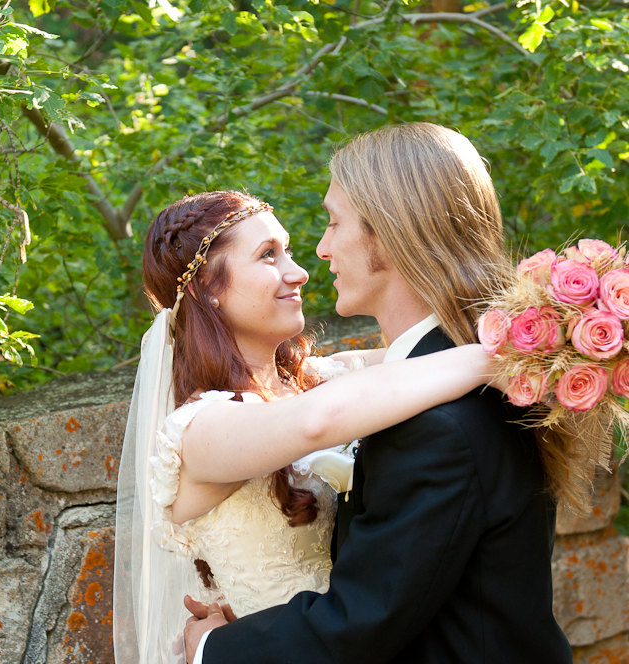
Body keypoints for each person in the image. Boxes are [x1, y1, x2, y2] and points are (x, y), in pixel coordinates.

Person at [182, 123, 574, 663]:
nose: (318, 251)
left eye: (332, 222)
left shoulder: (441, 421)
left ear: (387, 235)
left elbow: (363, 619)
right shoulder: (445, 375)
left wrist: (211, 649)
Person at [112, 182, 506, 664]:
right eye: (267, 256)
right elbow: (318, 423)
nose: (297, 271)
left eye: (289, 250)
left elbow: (414, 357)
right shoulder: (201, 431)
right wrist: (496, 359)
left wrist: (550, 332)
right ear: (206, 288)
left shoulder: (312, 382)